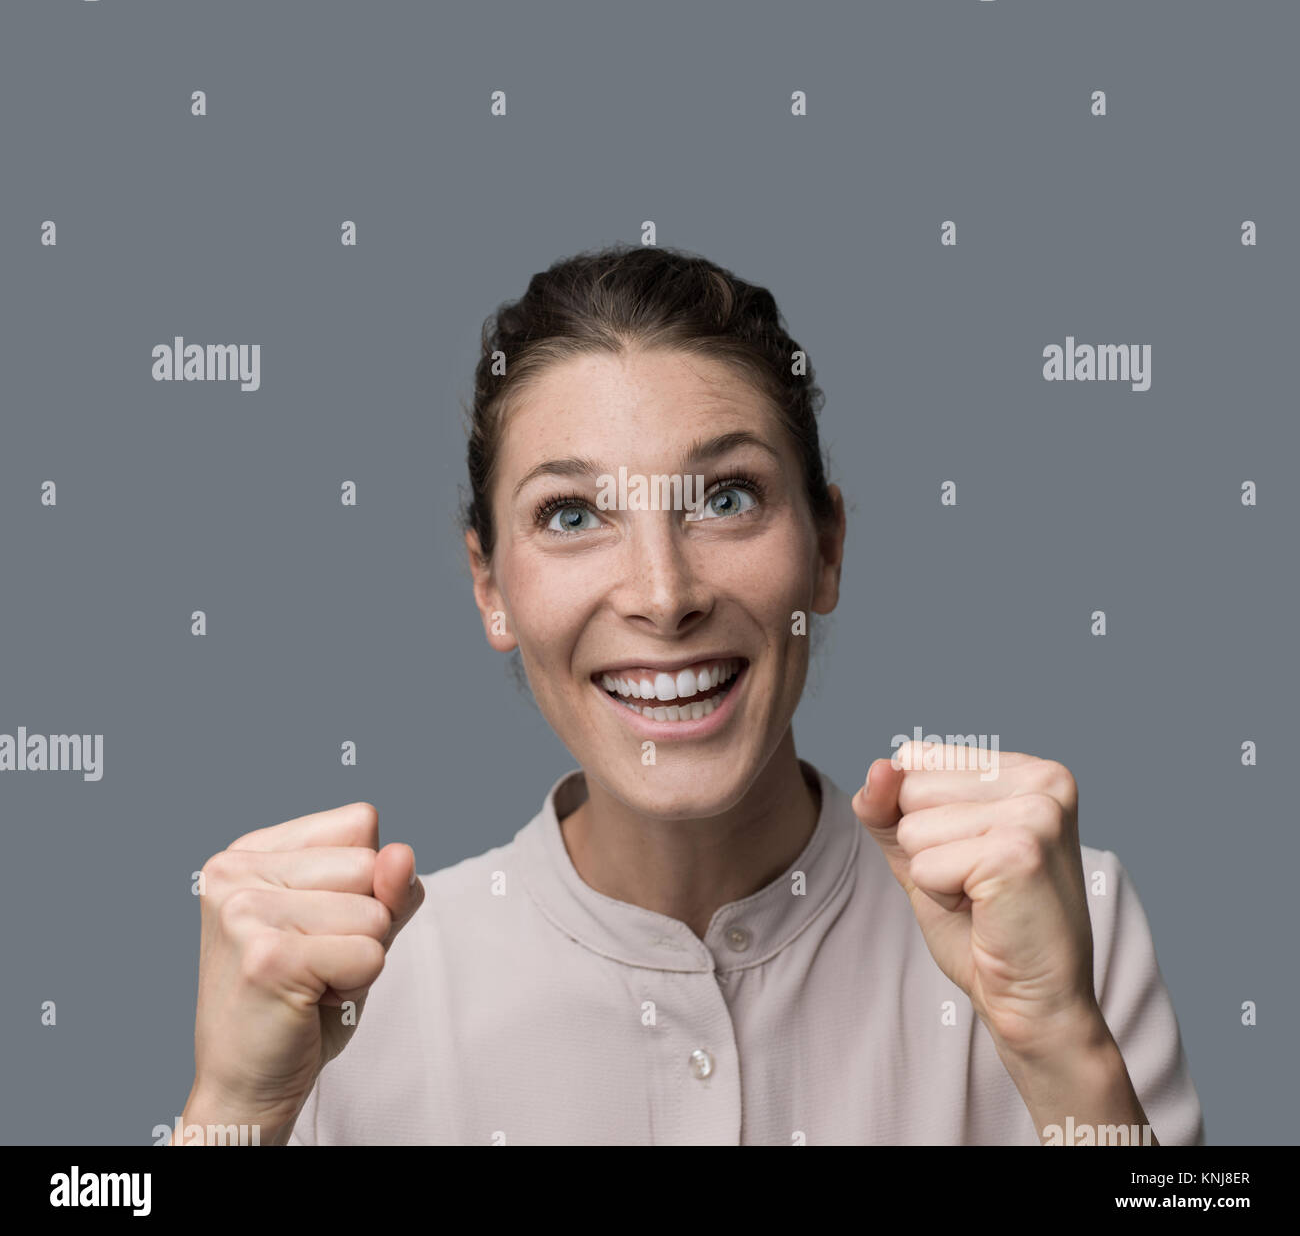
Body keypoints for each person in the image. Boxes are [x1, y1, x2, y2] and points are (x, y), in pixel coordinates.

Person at [174, 244, 1204, 1146]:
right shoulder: (349, 1000)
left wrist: (1061, 1041)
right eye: (572, 514)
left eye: (725, 497)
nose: (663, 597)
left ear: (826, 547)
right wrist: (228, 1115)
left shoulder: (1062, 919)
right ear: (491, 585)